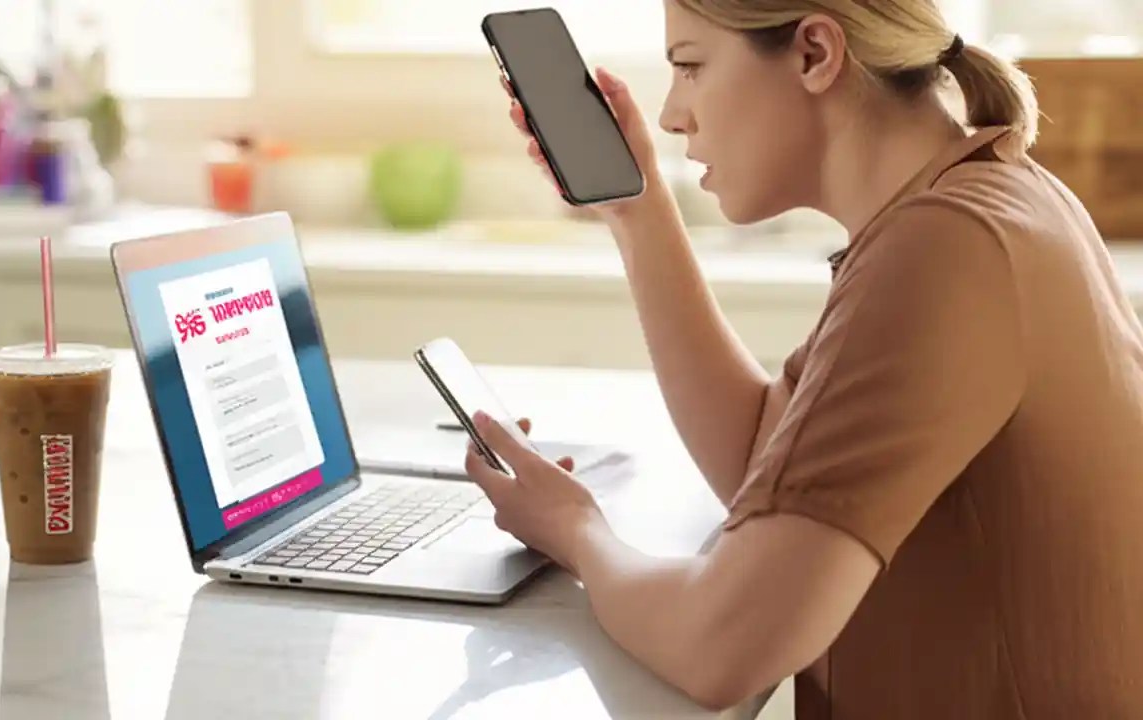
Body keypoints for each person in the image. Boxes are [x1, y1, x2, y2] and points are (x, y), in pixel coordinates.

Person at [463, 1, 1143, 718]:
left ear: (815, 53)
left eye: (691, 66)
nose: (671, 115)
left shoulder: (942, 253)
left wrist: (577, 531)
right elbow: (772, 466)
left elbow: (724, 646)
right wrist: (638, 210)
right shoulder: (987, 197)